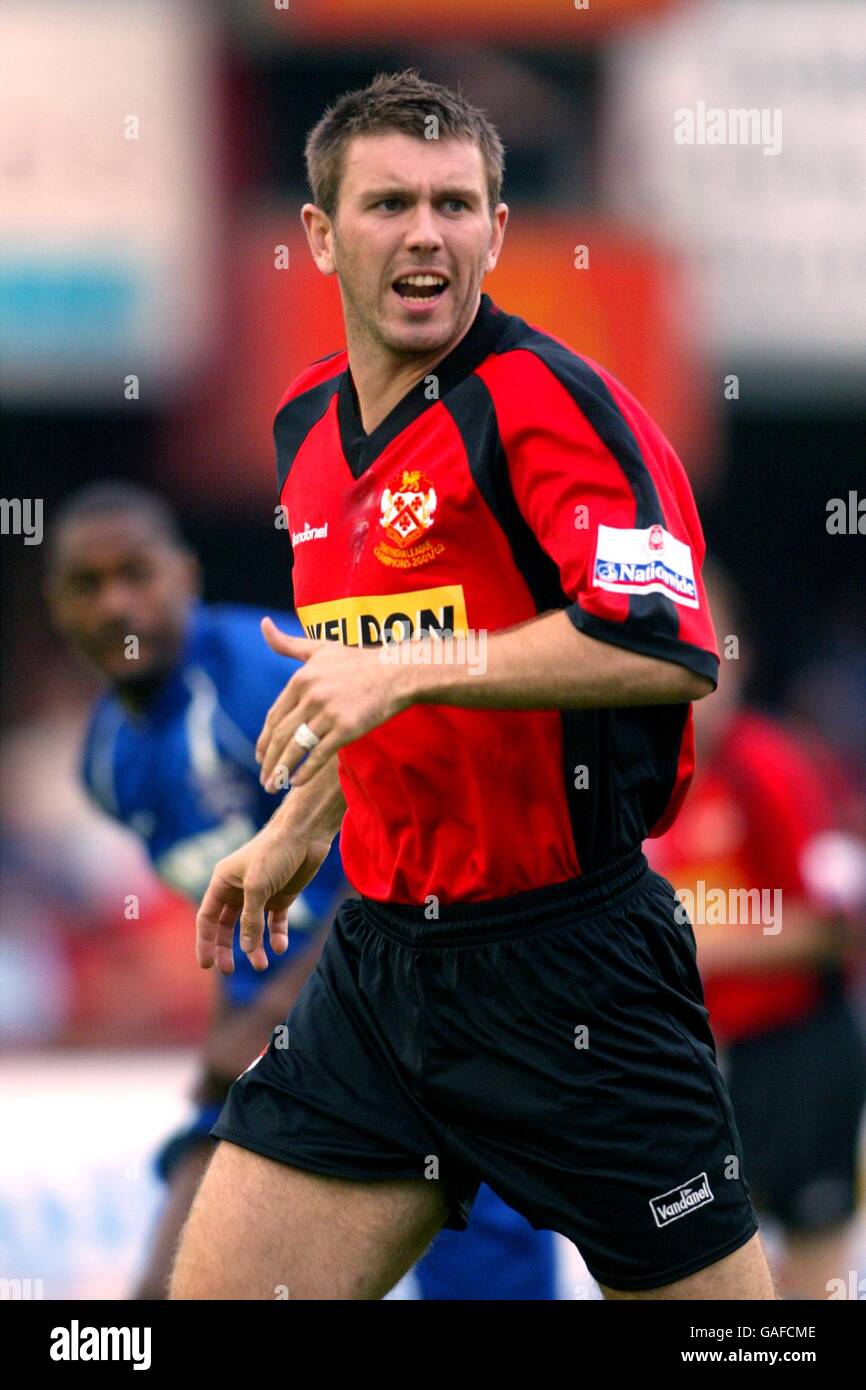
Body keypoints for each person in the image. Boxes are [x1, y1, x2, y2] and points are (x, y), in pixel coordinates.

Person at [171, 68, 775, 1301]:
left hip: (575, 971)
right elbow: (382, 675)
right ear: (321, 235)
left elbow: (664, 649)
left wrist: (404, 670)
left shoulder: (556, 405)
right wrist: (301, 821)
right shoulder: (300, 429)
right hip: (381, 967)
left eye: (456, 203)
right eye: (389, 202)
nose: (426, 232)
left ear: (496, 231)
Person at [44, 479, 556, 1301]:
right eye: (86, 585)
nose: (116, 605)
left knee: (484, 1278)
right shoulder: (106, 766)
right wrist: (236, 1023)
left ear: (186, 576)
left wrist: (262, 1012)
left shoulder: (259, 679)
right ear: (56, 607)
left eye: (136, 574)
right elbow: (241, 915)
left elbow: (413, 848)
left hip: (421, 1018)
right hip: (295, 1054)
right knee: (168, 1291)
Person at [646, 566, 866, 1299]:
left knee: (811, 1272)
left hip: (794, 1056)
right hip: (692, 1066)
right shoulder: (634, 784)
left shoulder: (771, 765)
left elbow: (834, 928)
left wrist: (698, 943)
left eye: (710, 647)